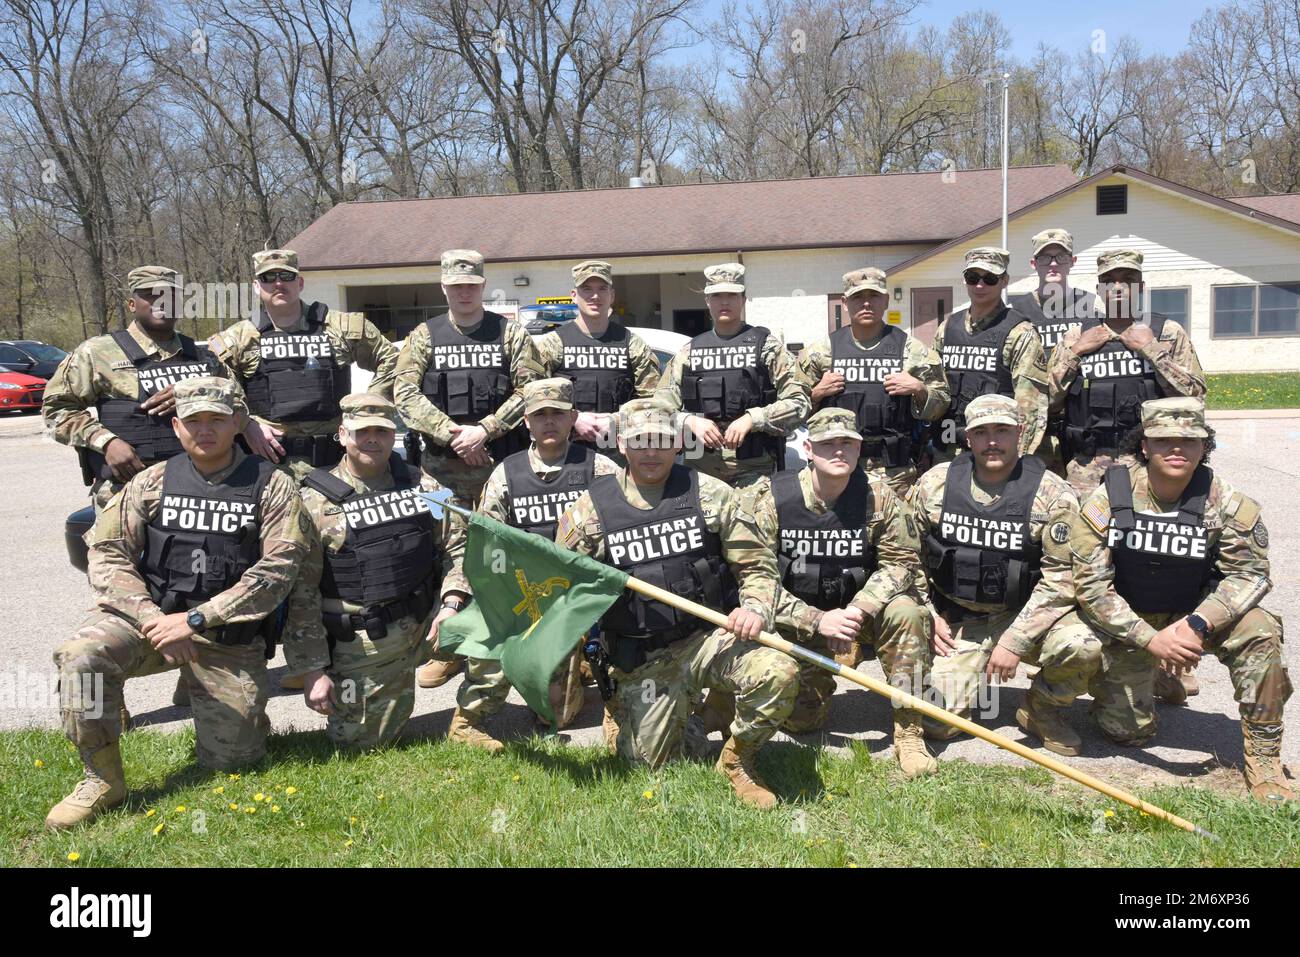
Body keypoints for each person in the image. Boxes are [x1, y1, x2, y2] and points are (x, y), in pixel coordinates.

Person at [45, 378, 313, 829]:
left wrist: (195, 620)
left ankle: (226, 706)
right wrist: (155, 621)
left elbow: (277, 572)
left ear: (238, 423)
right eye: (193, 421)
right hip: (151, 622)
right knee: (81, 657)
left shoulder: (273, 486)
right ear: (176, 425)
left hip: (224, 632)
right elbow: (108, 554)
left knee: (233, 762)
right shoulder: (151, 481)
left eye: (216, 420)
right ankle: (101, 778)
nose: (204, 430)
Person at [555, 399, 798, 807]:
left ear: (678, 444)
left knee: (778, 672)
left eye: (662, 440)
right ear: (621, 444)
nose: (651, 451)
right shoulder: (590, 511)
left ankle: (737, 760)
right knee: (649, 768)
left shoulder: (711, 493)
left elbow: (757, 566)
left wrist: (754, 607)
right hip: (644, 657)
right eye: (640, 441)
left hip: (708, 638)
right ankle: (636, 710)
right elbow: (564, 588)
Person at [1071, 397, 1292, 802]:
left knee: (1260, 629)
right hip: (1132, 623)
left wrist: (1196, 624)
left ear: (1204, 446)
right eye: (1164, 440)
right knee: (1128, 734)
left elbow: (1251, 574)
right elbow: (1091, 586)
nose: (1177, 449)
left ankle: (1264, 758)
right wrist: (1151, 640)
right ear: (1144, 446)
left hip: (1195, 616)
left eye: (1190, 440)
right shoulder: (1108, 498)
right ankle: (1154, 672)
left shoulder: (1224, 501)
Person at [746, 408, 936, 776]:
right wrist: (817, 620)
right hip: (800, 620)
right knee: (804, 721)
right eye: (828, 444)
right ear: (807, 448)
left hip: (856, 615)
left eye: (847, 443)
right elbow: (757, 575)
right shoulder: (773, 497)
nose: (838, 451)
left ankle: (910, 730)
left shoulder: (878, 495)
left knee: (907, 612)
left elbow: (901, 562)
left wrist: (858, 611)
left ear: (859, 448)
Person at [912, 394, 1101, 756]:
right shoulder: (935, 483)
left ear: (1021, 433)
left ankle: (1041, 708)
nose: (992, 441)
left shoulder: (1053, 493)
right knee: (935, 724)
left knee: (1083, 644)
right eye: (982, 432)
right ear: (968, 438)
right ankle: (968, 677)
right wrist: (928, 612)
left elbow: (1062, 578)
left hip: (1025, 616)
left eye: (1003, 430)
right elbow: (907, 556)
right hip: (957, 618)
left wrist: (1015, 640)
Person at [394, 248, 545, 691]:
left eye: (471, 285)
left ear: (482, 286)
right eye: (455, 285)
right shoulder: (424, 336)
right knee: (449, 555)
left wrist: (486, 429)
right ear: (444, 287)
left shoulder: (510, 334)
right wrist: (453, 435)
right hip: (441, 471)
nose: (464, 292)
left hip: (502, 465)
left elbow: (531, 389)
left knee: (506, 557)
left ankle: (511, 650)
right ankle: (448, 650)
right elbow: (404, 393)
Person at [287, 394, 469, 749]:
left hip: (429, 617)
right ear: (342, 434)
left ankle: (472, 722)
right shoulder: (314, 500)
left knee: (506, 628)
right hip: (367, 638)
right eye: (362, 431)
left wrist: (452, 602)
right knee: (361, 745)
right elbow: (301, 591)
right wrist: (311, 669)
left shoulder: (422, 485)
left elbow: (458, 547)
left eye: (382, 432)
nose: (373, 439)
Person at [449, 378, 619, 747]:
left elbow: (621, 530)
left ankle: (581, 665)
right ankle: (467, 721)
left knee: (557, 715)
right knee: (495, 643)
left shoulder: (600, 468)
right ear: (526, 421)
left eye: (557, 414)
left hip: (579, 598)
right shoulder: (506, 473)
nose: (549, 422)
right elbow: (485, 540)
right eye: (539, 415)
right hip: (524, 595)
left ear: (573, 417)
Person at [43, 266, 234, 511]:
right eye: (151, 294)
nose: (162, 301)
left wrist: (195, 394)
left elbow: (239, 408)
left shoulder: (205, 357)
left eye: (170, 294)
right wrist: (106, 442)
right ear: (132, 304)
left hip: (202, 491)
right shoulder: (96, 353)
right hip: (128, 495)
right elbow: (56, 410)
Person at [207, 247, 399, 484]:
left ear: (300, 283)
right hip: (269, 468)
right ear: (257, 286)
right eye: (268, 277)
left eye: (286, 276)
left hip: (339, 463)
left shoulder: (340, 327)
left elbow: (392, 359)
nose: (278, 283)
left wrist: (366, 411)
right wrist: (246, 424)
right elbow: (217, 390)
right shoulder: (236, 340)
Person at [1049, 249, 1205, 498]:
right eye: (1110, 281)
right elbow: (1049, 399)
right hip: (1086, 468)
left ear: (1141, 286)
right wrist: (1077, 352)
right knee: (1085, 534)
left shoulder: (1167, 333)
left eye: (1129, 280)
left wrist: (1152, 351)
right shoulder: (1076, 336)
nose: (1119, 287)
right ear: (1100, 289)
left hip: (1150, 464)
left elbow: (1195, 397)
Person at [654, 262, 810, 487]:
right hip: (701, 473)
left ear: (743, 299)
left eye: (732, 295)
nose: (724, 302)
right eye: (717, 295)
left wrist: (754, 419)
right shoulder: (689, 352)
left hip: (755, 472)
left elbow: (800, 402)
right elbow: (657, 408)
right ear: (707, 301)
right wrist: (689, 421)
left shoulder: (768, 348)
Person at [797, 268, 949, 497]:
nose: (866, 304)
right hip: (836, 469)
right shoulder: (821, 352)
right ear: (845, 302)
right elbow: (791, 405)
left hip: (894, 473)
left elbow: (943, 401)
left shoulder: (912, 350)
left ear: (886, 300)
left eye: (874, 296)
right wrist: (817, 393)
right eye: (858, 297)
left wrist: (919, 389)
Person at [930, 247, 1048, 462]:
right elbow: (935, 388)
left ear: (1005, 281)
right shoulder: (947, 328)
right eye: (972, 277)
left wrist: (1018, 461)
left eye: (990, 278)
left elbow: (1031, 406)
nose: (980, 285)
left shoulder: (1019, 332)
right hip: (947, 451)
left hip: (995, 456)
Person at [532, 260, 660, 452]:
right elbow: (532, 400)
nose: (595, 296)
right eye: (586, 289)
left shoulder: (632, 344)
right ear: (574, 296)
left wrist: (616, 420)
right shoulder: (553, 344)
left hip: (619, 453)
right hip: (565, 453)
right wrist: (574, 418)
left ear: (612, 295)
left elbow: (654, 402)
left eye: (602, 288)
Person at [1007, 229, 1100, 475]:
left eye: (1061, 256)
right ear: (1034, 264)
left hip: (1080, 423)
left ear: (1073, 262)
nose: (1053, 264)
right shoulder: (1016, 311)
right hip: (1035, 430)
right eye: (1045, 258)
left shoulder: (1091, 307)